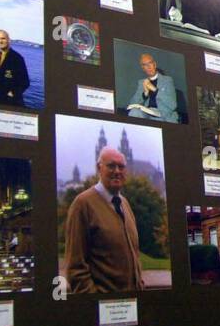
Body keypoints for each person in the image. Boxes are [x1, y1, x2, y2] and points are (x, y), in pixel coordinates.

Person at [63, 148, 145, 293]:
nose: (117, 171)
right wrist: (97, 302)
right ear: (98, 168)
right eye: (111, 166)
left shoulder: (124, 203)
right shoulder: (82, 204)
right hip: (105, 311)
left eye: (121, 167)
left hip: (132, 307)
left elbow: (135, 257)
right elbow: (75, 268)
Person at [126, 52, 180, 123]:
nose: (148, 67)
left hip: (163, 114)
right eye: (145, 65)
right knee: (134, 112)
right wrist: (144, 94)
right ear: (143, 68)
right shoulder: (142, 82)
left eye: (150, 63)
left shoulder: (167, 80)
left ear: (154, 64)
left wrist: (154, 90)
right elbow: (132, 104)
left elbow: (172, 104)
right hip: (147, 114)